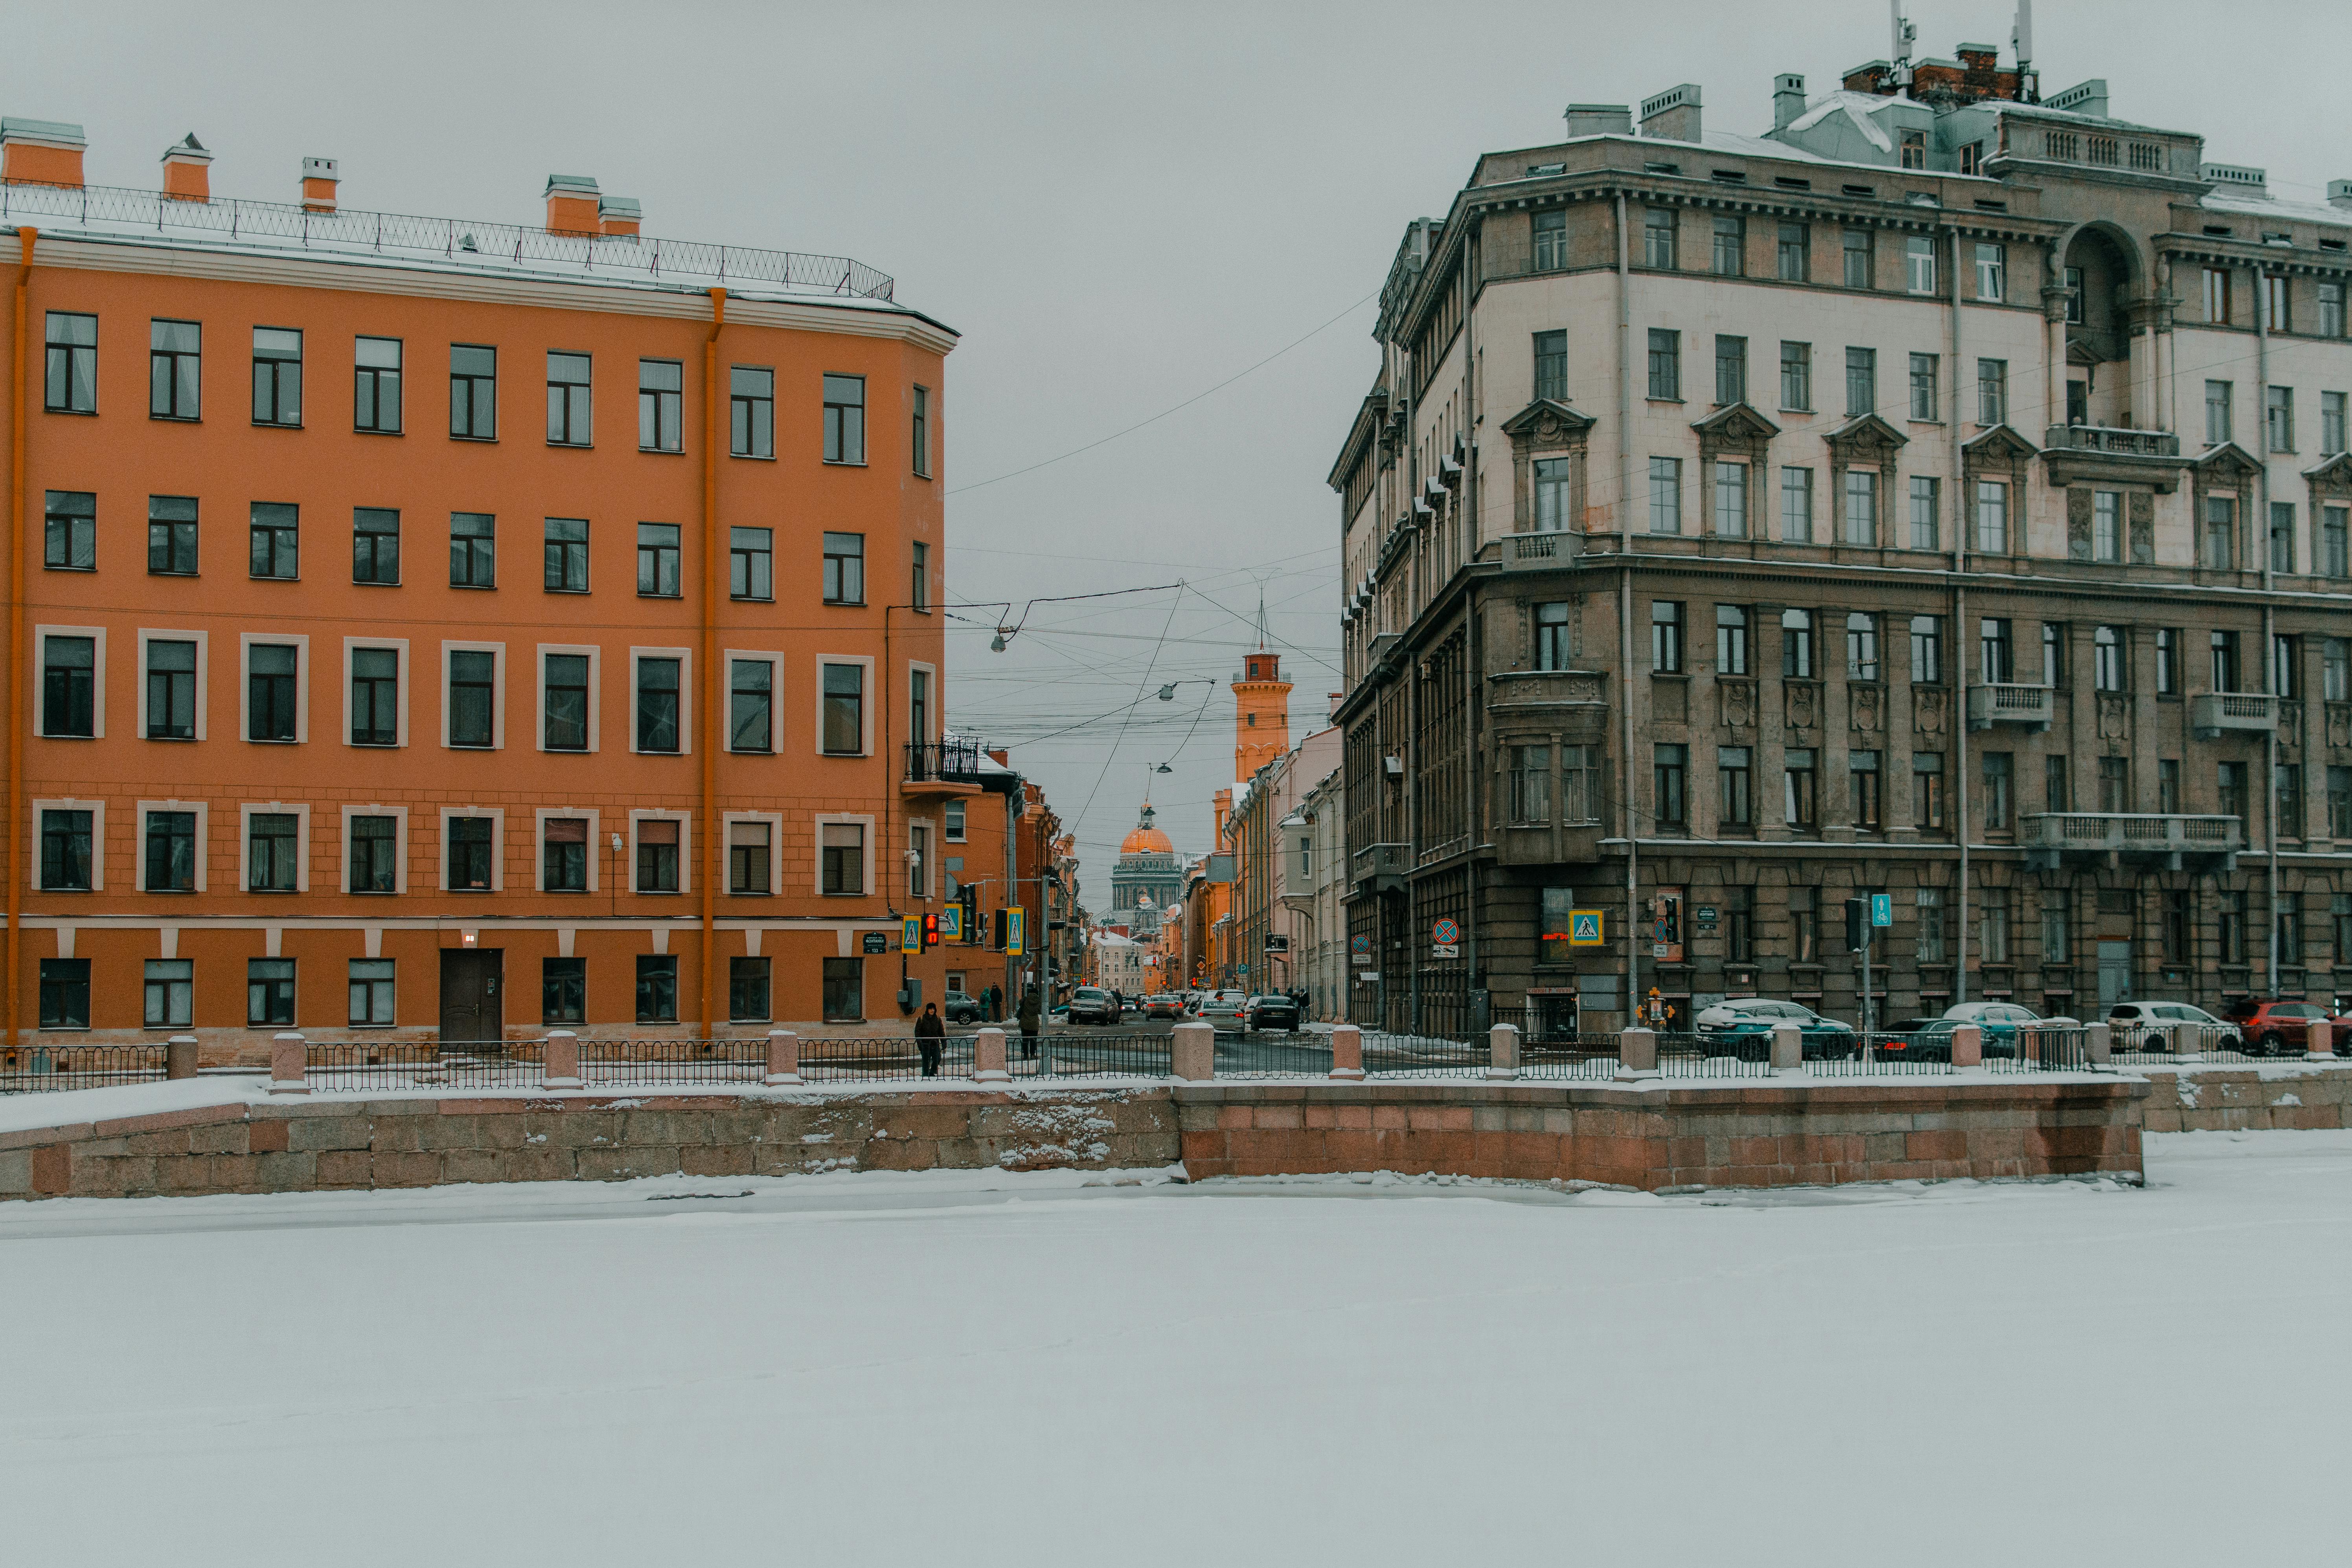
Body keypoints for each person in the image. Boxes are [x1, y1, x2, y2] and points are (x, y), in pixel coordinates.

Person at [915, 1002, 945, 1077]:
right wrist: (920, 1044)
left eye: (934, 1009)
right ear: (927, 1010)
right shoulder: (922, 1019)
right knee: (926, 1062)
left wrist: (944, 1043)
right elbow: (917, 1032)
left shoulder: (938, 1019)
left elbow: (941, 1032)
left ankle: (932, 1072)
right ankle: (925, 1076)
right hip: (925, 1045)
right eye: (931, 1009)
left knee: (938, 1058)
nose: (932, 1011)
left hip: (935, 1044)